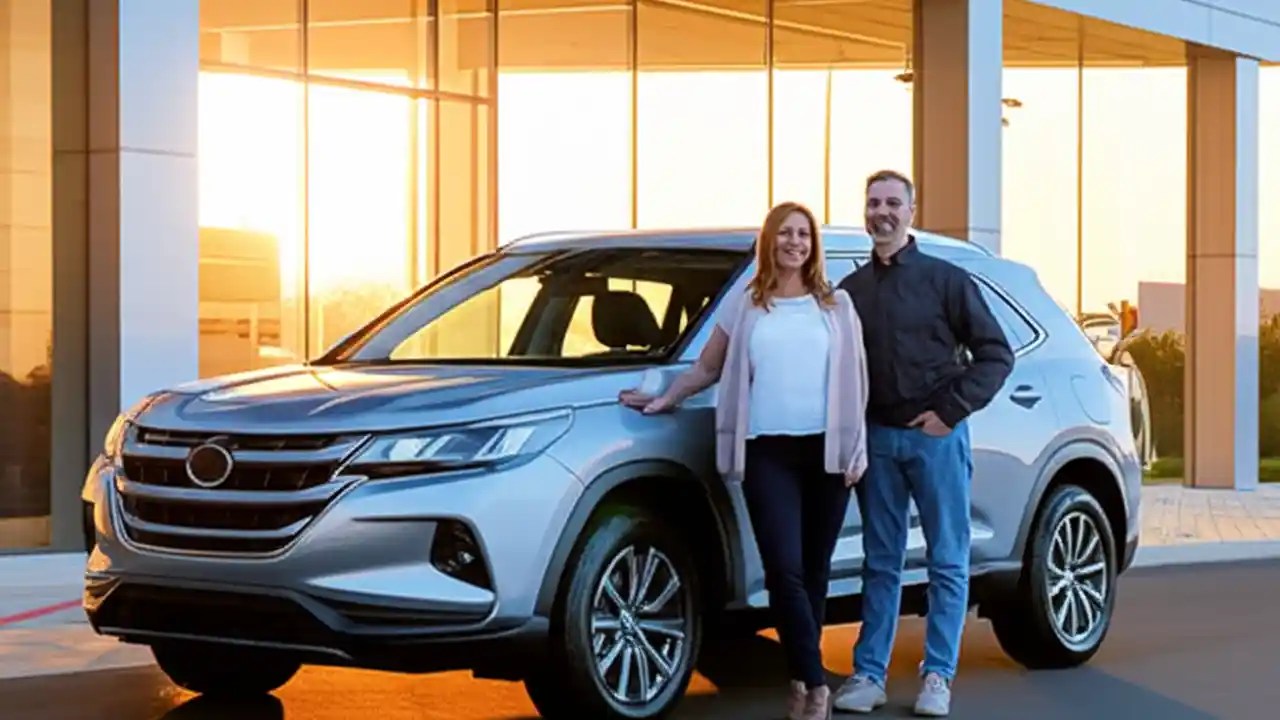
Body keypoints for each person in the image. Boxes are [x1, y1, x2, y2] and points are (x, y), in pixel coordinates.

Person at [619, 201, 870, 720]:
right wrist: (666, 397)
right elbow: (708, 367)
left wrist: (857, 446)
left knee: (815, 572)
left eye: (803, 234)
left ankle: (801, 678)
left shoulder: (837, 306)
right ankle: (819, 684)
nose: (794, 243)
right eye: (785, 233)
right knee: (783, 569)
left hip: (826, 450)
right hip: (767, 451)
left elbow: (857, 384)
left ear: (813, 245)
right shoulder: (747, 303)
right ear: (769, 241)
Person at [829, 170, 1014, 717]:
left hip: (937, 441)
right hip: (878, 442)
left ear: (912, 210)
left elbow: (995, 355)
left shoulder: (947, 281)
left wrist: (951, 411)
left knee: (947, 560)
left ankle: (938, 677)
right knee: (880, 561)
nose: (881, 211)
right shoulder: (851, 293)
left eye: (892, 202)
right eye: (873, 203)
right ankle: (868, 674)